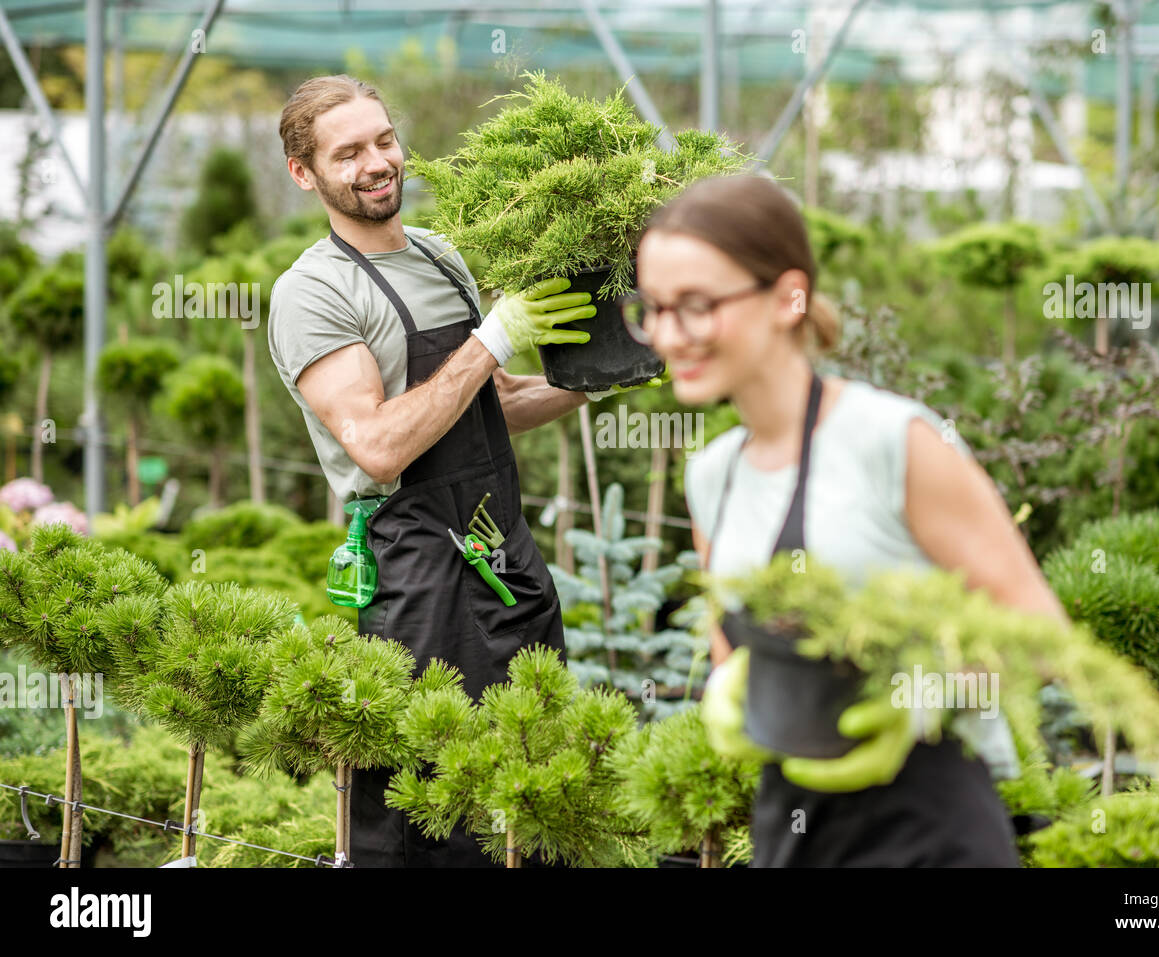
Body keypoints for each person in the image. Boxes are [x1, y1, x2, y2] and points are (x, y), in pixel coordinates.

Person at [630, 173, 1072, 867]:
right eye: (652, 308)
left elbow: (1044, 638)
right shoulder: (714, 474)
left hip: (933, 829)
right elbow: (735, 655)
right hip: (793, 827)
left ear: (787, 296)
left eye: (695, 305)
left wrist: (917, 697)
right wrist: (727, 691)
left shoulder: (893, 442)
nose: (666, 334)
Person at [267, 75, 614, 867]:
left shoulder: (443, 257)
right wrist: (494, 336)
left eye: (383, 140)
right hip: (416, 572)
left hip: (505, 552)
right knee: (427, 806)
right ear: (303, 172)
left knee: (531, 789)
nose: (377, 162)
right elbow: (380, 444)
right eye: (347, 153)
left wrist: (604, 375)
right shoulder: (312, 292)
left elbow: (495, 404)